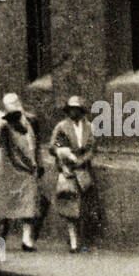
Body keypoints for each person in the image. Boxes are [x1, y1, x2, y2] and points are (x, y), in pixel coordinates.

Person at [0, 93, 44, 252]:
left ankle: (27, 239)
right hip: (8, 167)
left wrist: (38, 163)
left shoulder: (31, 121)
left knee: (29, 200)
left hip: (27, 166)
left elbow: (36, 144)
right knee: (4, 204)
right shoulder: (3, 123)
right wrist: (2, 126)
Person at [49, 95, 97, 253]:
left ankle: (80, 239)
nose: (73, 112)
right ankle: (74, 241)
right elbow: (53, 145)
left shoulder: (88, 127)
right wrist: (62, 154)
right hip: (68, 171)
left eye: (76, 109)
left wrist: (82, 160)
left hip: (83, 171)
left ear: (81, 111)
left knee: (83, 207)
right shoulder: (62, 127)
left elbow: (91, 148)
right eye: (71, 109)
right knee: (70, 205)